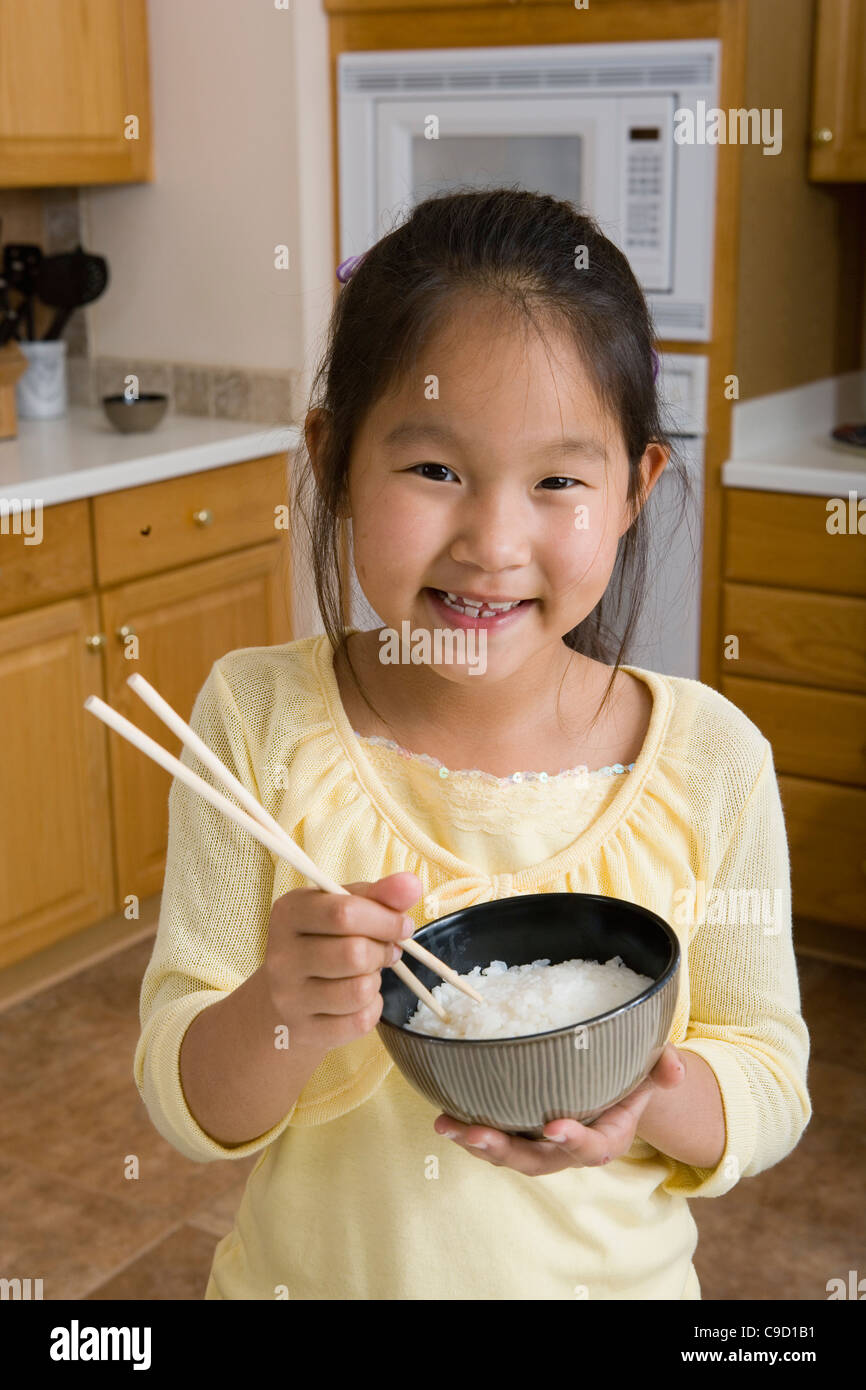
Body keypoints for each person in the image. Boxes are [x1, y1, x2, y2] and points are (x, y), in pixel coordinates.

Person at [133, 189, 811, 1300]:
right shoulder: (256, 720)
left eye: (557, 480)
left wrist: (647, 1095)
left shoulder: (711, 759)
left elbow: (768, 1073)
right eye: (435, 470)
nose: (492, 542)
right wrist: (276, 1009)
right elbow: (187, 1097)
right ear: (336, 458)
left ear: (633, 487)